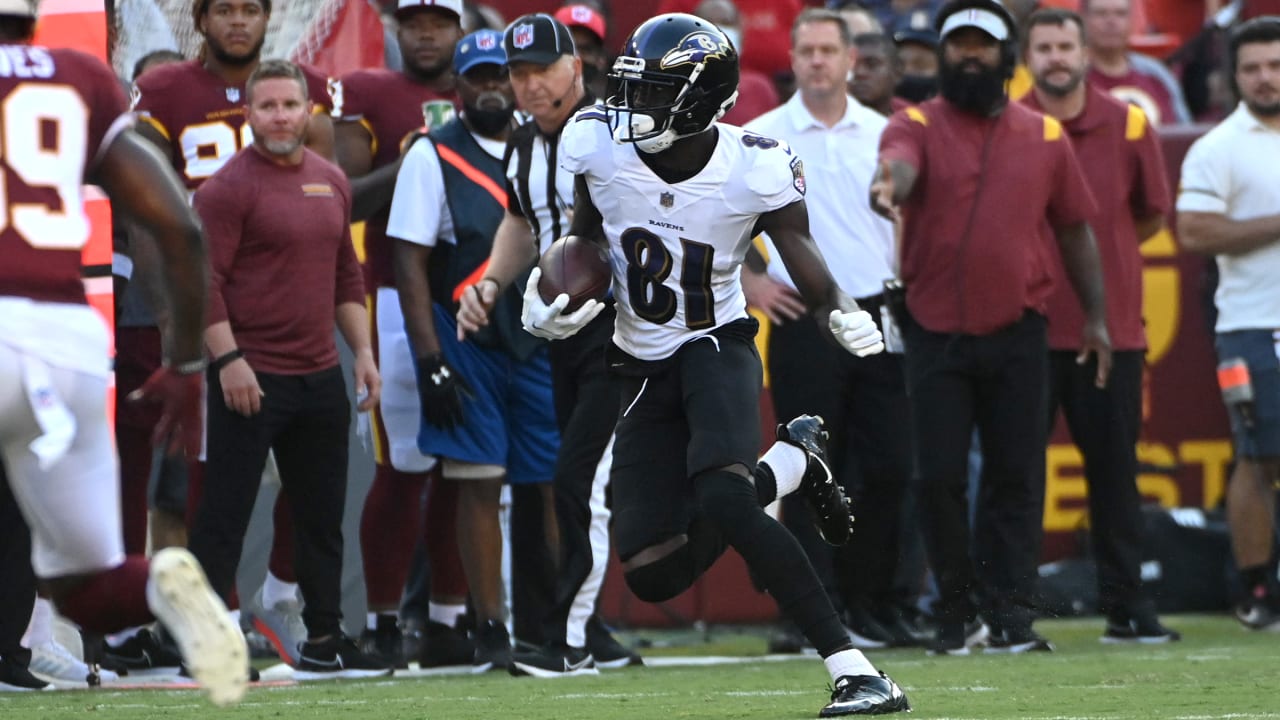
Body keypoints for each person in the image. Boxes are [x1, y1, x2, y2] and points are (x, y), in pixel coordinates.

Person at [545, 13, 909, 716]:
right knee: (652, 572)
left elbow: (797, 248)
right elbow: (583, 239)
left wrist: (838, 306)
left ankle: (856, 669)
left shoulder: (753, 162)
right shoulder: (594, 142)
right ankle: (794, 462)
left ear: (696, 100)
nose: (628, 107)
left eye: (650, 92)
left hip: (714, 345)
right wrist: (546, 289)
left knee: (721, 499)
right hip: (638, 362)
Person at [0, 0, 248, 705]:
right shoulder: (78, 76)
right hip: (62, 337)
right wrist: (188, 365)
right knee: (91, 589)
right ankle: (167, 588)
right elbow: (179, 230)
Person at [872, 0, 1111, 654]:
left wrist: (1096, 318)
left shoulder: (1045, 137)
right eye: (958, 46)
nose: (968, 56)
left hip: (1018, 330)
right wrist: (889, 186)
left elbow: (1074, 229)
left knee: (1017, 477)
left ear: (1009, 57)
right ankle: (954, 611)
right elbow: (898, 164)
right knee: (939, 477)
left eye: (982, 46)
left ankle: (1011, 614)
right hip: (933, 329)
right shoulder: (914, 122)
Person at [127, 0, 336, 668]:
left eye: (252, 9)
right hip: (199, 309)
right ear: (201, 18)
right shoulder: (163, 92)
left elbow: (324, 195)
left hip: (282, 314)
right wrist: (173, 317)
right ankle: (176, 620)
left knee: (305, 483)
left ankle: (275, 603)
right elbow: (142, 206)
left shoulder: (306, 95)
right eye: (226, 10)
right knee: (188, 480)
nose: (239, 22)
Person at [187, 59, 389, 681]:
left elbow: (345, 276)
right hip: (250, 374)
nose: (279, 116)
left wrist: (362, 352)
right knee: (226, 513)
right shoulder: (226, 189)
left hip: (320, 372)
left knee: (322, 515)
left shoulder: (331, 181)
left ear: (309, 112)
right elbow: (203, 285)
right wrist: (229, 361)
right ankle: (205, 644)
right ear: (248, 114)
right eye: (267, 106)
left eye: (289, 105)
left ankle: (326, 638)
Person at [455, 13, 639, 674]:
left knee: (581, 484)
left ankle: (574, 640)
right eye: (518, 72)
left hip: (628, 330)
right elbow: (520, 220)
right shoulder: (523, 141)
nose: (529, 84)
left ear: (576, 67)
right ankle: (584, 633)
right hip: (562, 332)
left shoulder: (621, 130)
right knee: (585, 485)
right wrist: (489, 285)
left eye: (541, 69)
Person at [387, 27, 558, 674]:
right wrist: (430, 361)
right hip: (467, 341)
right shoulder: (432, 154)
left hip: (541, 335)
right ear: (456, 86)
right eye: (479, 77)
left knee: (548, 485)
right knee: (477, 484)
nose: (491, 88)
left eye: (501, 76)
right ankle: (490, 626)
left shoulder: (543, 143)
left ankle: (554, 621)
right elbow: (408, 262)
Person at [746, 8, 917, 650]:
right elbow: (716, 227)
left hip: (877, 313)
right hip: (804, 316)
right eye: (807, 51)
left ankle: (872, 602)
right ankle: (810, 615)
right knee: (807, 468)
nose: (818, 61)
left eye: (829, 51)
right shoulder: (757, 137)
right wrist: (751, 283)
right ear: (790, 60)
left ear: (852, 61)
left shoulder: (889, 133)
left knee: (890, 465)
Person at [1021, 7, 1180, 643]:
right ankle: (1010, 613)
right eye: (1044, 47)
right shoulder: (1008, 127)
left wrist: (1100, 265)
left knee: (1116, 475)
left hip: (1110, 332)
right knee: (1017, 478)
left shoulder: (1132, 122)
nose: (1056, 57)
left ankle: (1128, 609)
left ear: (1086, 52)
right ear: (1026, 57)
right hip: (1024, 329)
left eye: (1065, 45)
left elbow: (1148, 217)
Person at [332, 0, 467, 668]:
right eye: (413, 20)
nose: (424, 32)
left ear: (460, 29)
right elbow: (344, 197)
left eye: (438, 21)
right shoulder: (371, 93)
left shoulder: (490, 86)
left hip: (477, 300)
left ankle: (448, 619)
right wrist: (415, 160)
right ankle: (382, 620)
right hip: (392, 292)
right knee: (404, 465)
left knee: (467, 469)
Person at [1176, 16, 1280, 632]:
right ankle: (1256, 585)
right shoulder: (1217, 147)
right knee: (1259, 455)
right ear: (1233, 75)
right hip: (1253, 324)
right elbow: (1194, 231)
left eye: (1274, 64)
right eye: (1253, 68)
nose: (1265, 77)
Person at [1082, 0, 1192, 125]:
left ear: (1132, 21)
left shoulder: (1157, 74)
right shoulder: (1075, 77)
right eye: (1101, 14)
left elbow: (1184, 130)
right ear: (1084, 20)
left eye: (1120, 14)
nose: (1111, 22)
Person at [693, 0, 781, 125]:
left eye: (726, 23)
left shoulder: (760, 90)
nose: (718, 31)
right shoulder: (681, 90)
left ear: (740, 29)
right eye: (709, 23)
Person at [555, 4, 611, 100]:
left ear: (601, 60)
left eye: (585, 50)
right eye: (568, 47)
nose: (577, 56)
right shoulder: (529, 113)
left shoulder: (610, 114)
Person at [852, 32, 906, 116]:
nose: (859, 72)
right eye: (852, 65)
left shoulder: (914, 124)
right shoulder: (826, 125)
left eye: (872, 64)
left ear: (897, 72)